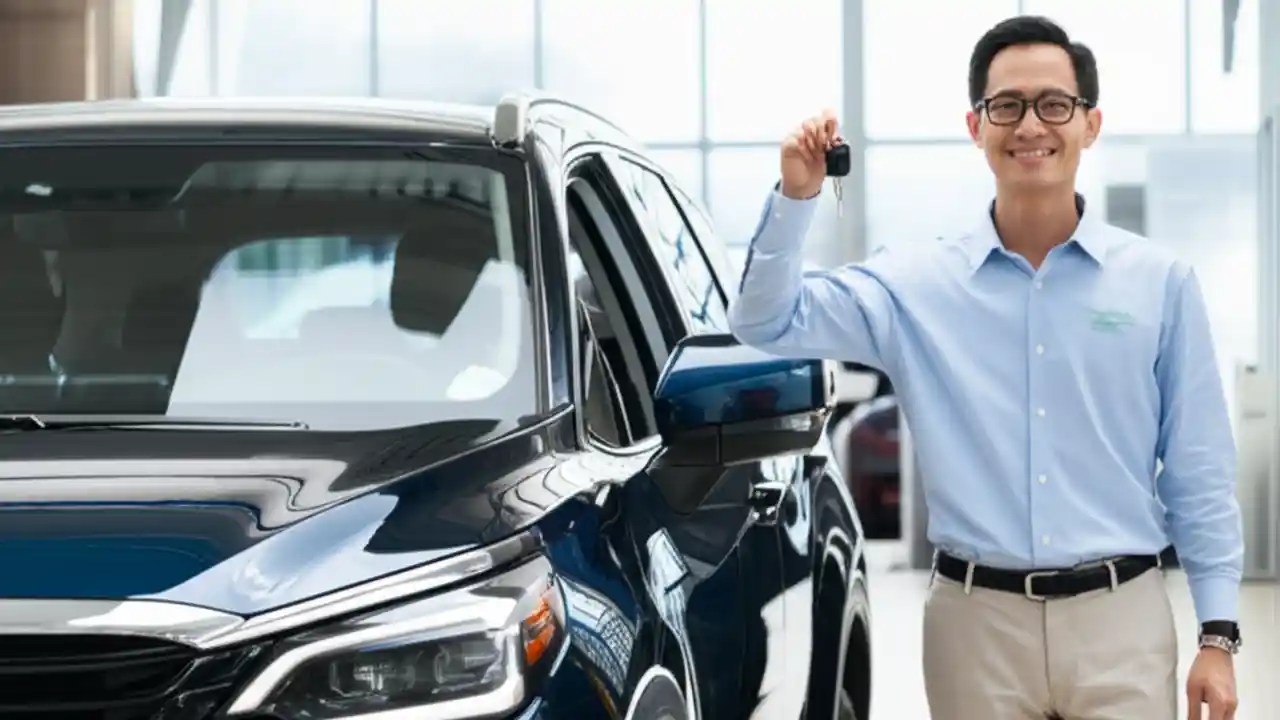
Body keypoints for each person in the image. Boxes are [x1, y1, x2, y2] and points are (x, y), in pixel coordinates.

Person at [728, 15, 1243, 720]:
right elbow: (766, 320)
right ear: (976, 126)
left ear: (1090, 124)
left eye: (1054, 104)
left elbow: (1200, 469)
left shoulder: (1160, 284)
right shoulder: (916, 284)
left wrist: (1217, 633)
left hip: (1121, 621)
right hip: (974, 629)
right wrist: (796, 198)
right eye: (1007, 106)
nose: (1031, 125)